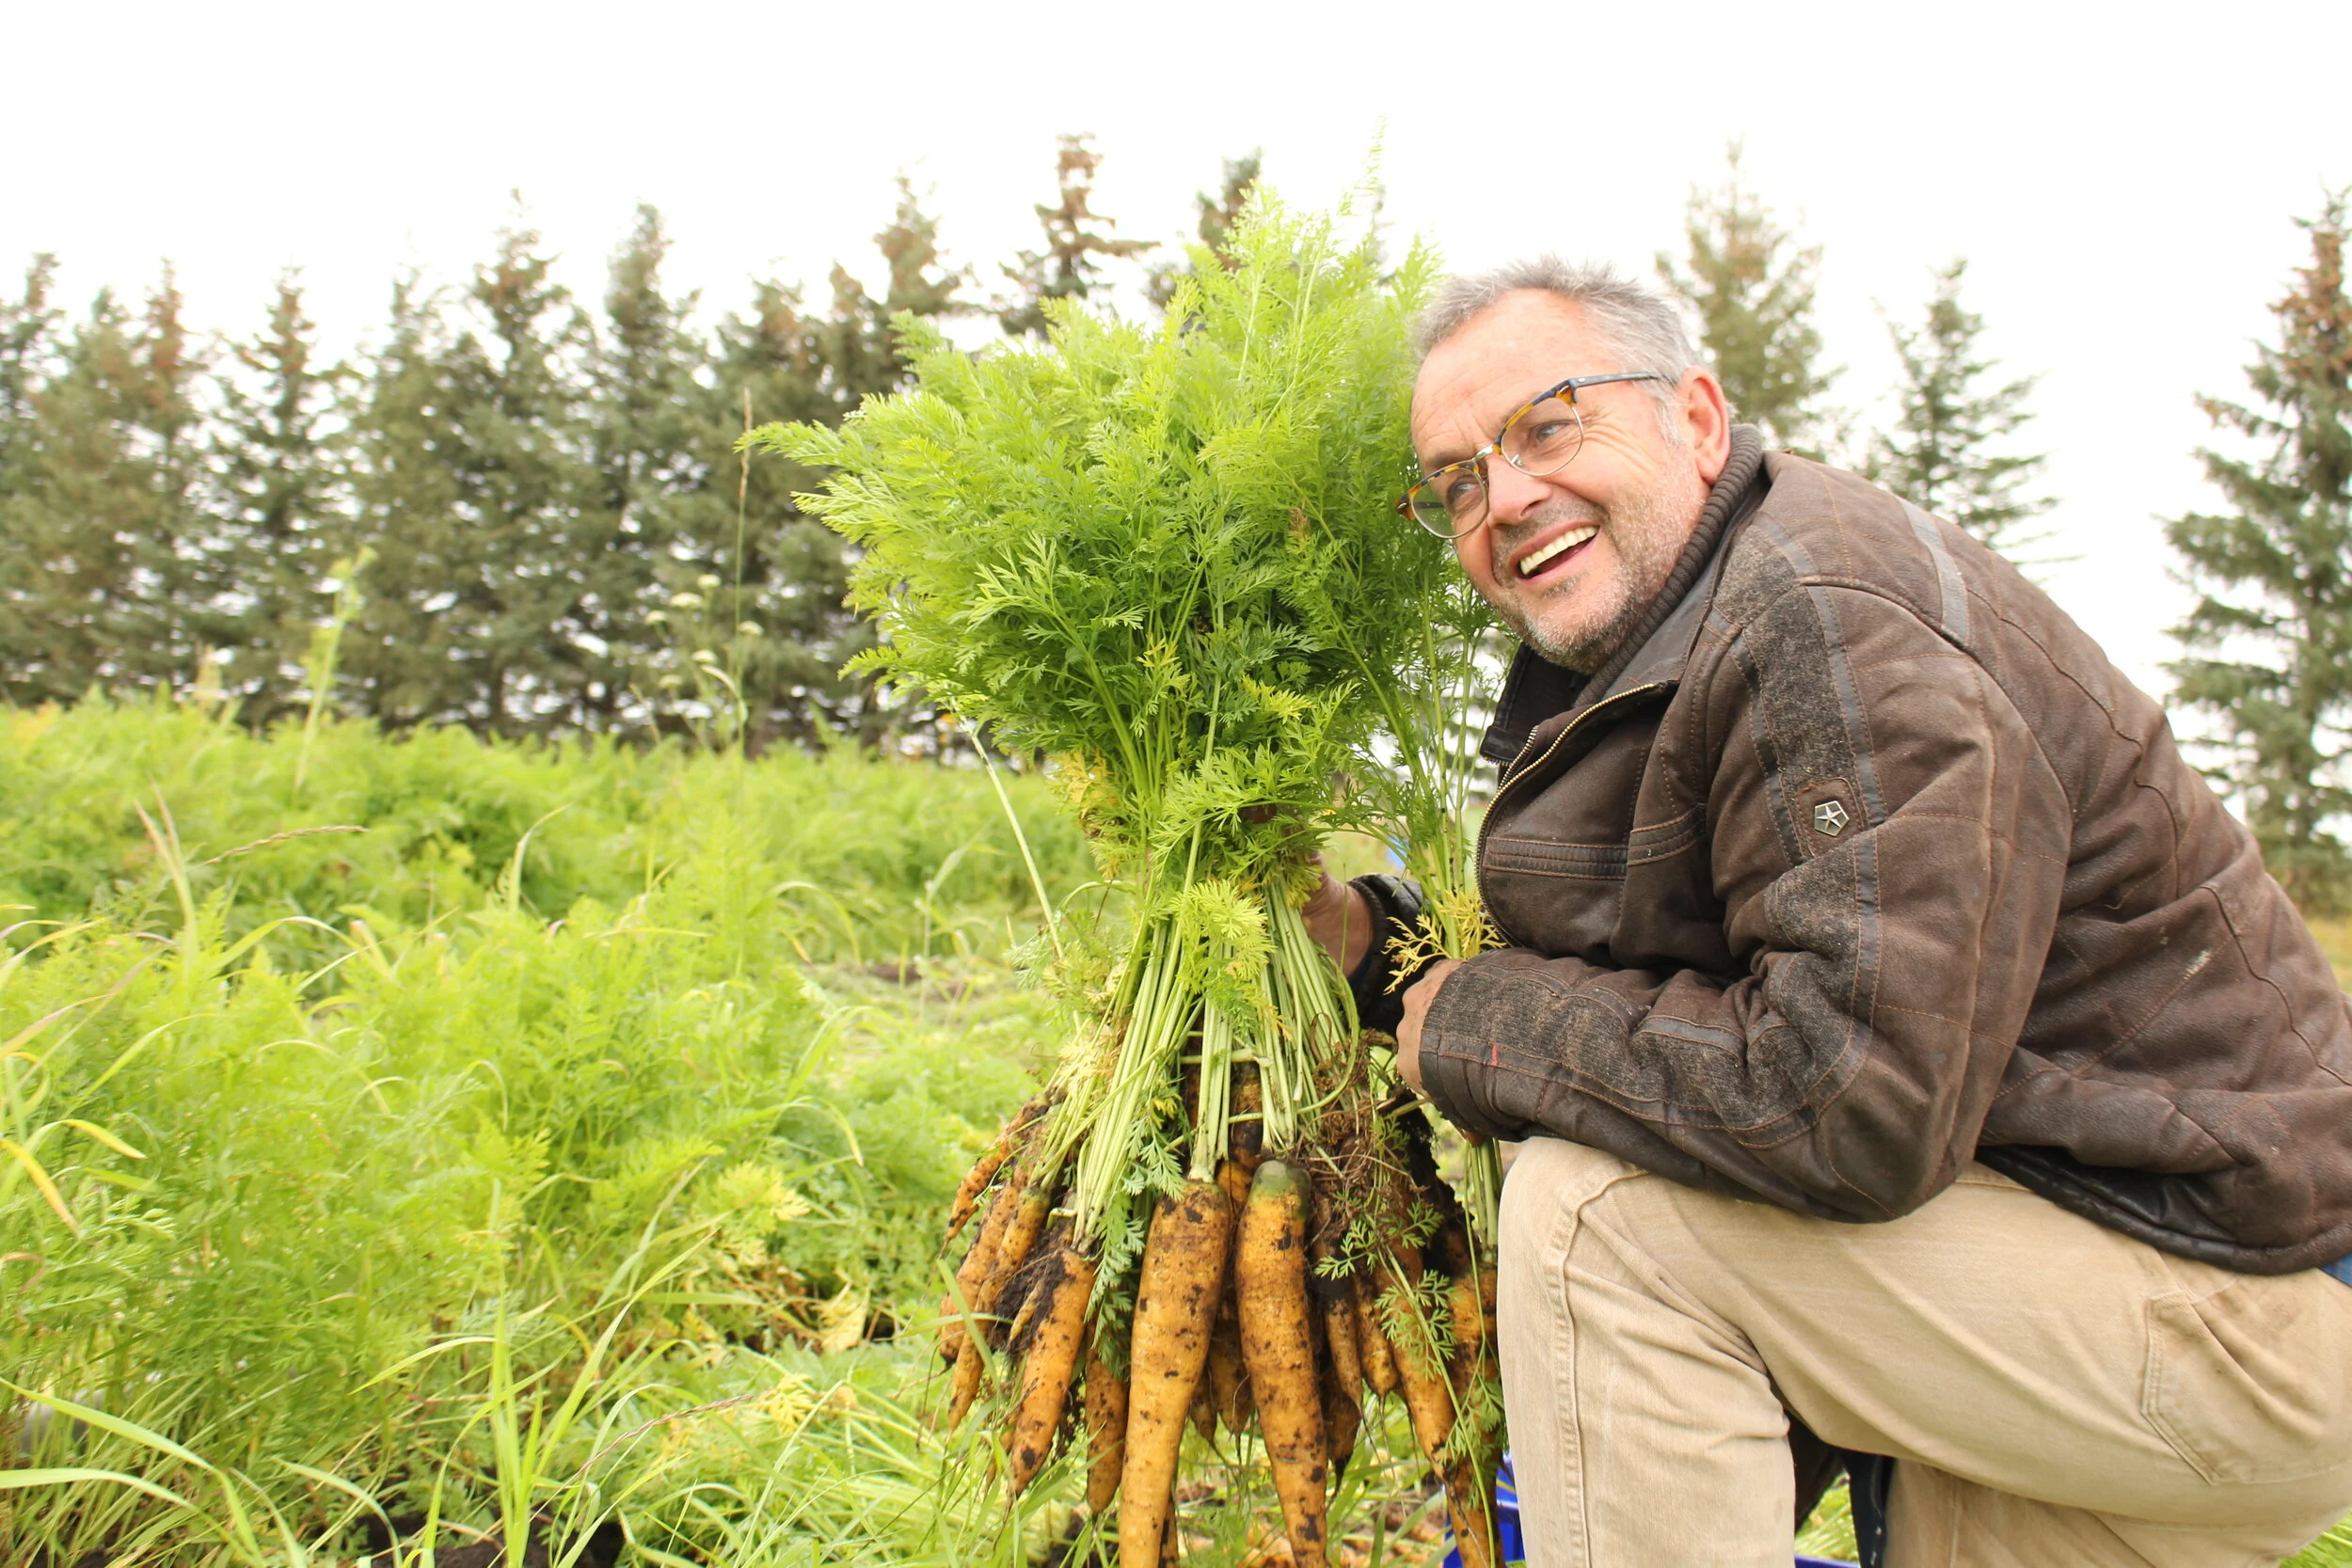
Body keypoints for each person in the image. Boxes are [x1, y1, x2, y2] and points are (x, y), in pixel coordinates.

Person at [1300, 258, 2352, 1568]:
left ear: (1695, 415)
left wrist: (1477, 1028)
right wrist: (1370, 949)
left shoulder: (1823, 619)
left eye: (1548, 423)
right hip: (2122, 1276)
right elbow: (1670, 984)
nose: (1506, 496)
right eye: (1456, 479)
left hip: (2228, 1302)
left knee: (1594, 1210)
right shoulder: (1693, 632)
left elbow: (1847, 1098)